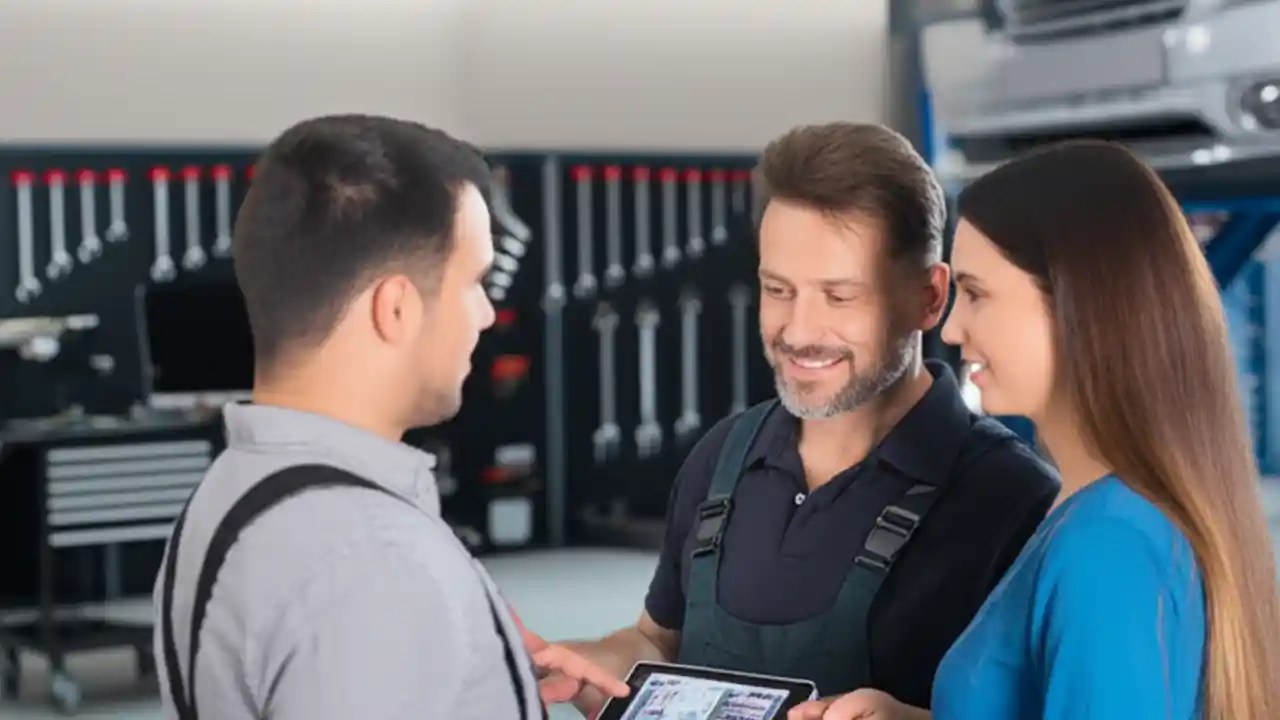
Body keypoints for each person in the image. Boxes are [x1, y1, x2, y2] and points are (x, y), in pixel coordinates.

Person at [526, 122, 1061, 716]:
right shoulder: (722, 457)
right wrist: (601, 664)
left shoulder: (1013, 500)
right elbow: (657, 641)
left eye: (839, 296)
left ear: (929, 298)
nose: (799, 331)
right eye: (778, 290)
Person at [790, 141, 1280, 720]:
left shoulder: (1107, 545)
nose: (951, 329)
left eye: (976, 293)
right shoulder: (1101, 516)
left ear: (1078, 305)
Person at [151, 115, 620, 719]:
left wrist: (480, 664)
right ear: (395, 308)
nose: (485, 314)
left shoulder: (231, 493)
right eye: (474, 283)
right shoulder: (375, 561)